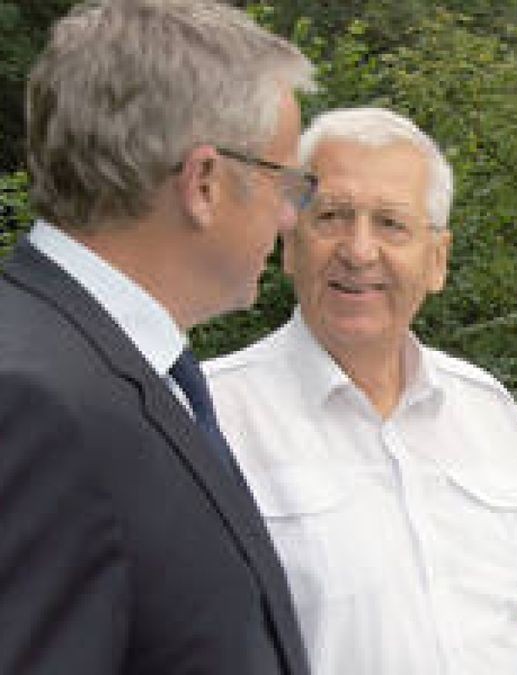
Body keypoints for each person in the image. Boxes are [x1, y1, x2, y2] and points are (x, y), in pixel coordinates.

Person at [205, 107, 517, 675]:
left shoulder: (491, 412)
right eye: (333, 216)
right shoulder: (214, 417)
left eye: (391, 224)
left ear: (436, 260)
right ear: (289, 242)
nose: (359, 251)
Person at [0, 1, 315, 673]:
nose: (291, 215)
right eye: (283, 180)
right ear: (203, 182)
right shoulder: (33, 400)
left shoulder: (105, 366)